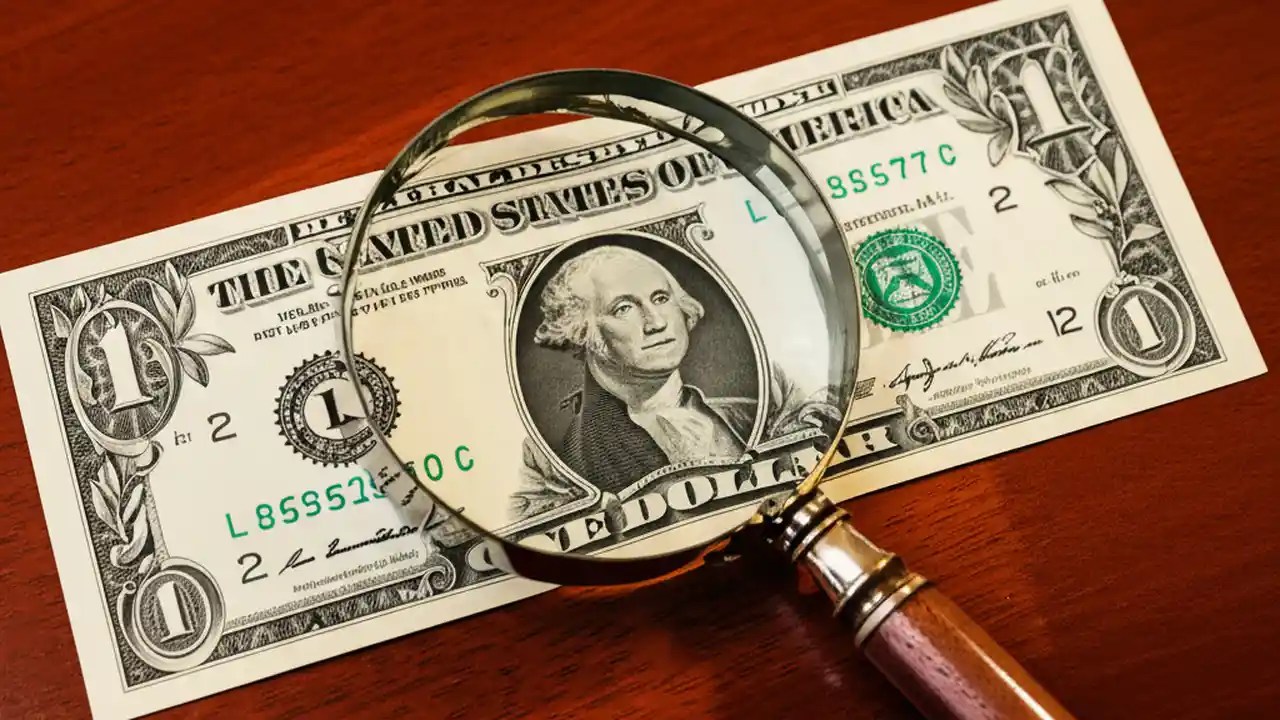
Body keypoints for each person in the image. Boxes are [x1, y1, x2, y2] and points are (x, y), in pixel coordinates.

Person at [511, 243, 840, 519]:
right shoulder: (576, 460)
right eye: (624, 308)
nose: (655, 322)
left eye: (660, 298)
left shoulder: (750, 414)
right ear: (582, 332)